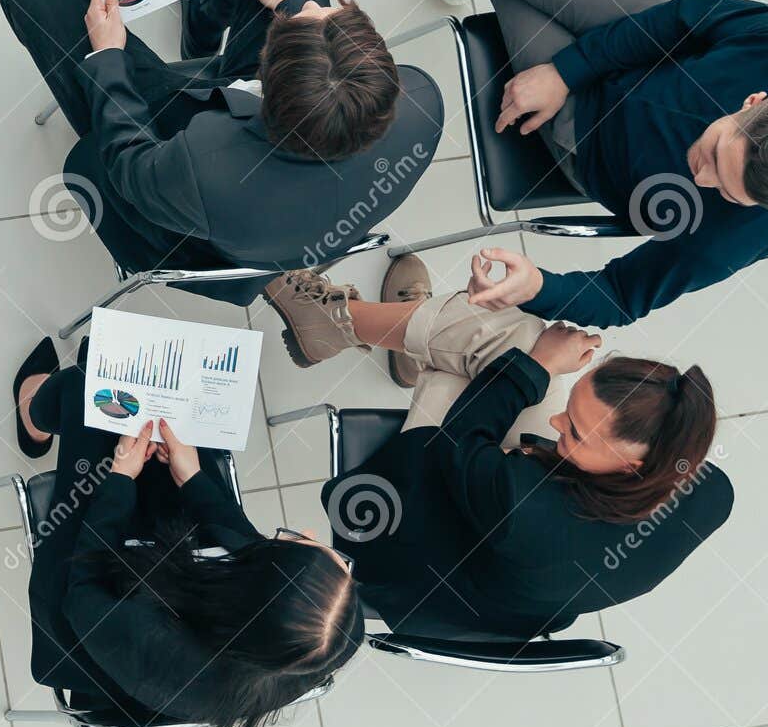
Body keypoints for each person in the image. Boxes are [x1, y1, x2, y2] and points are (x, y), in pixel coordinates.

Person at [319, 0, 768, 329]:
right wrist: (566, 70)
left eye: (727, 192)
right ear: (754, 103)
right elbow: (681, 22)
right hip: (648, 47)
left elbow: (622, 296)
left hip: (590, 133)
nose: (701, 176)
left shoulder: (745, 234)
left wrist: (538, 287)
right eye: (716, 154)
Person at [266, 258, 733, 640]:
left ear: (631, 466)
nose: (555, 422)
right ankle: (411, 340)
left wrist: (539, 366)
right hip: (512, 574)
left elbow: (464, 436)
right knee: (514, 343)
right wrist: (539, 369)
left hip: (416, 555)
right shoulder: (709, 488)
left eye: (573, 430)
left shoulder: (527, 513)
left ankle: (339, 323)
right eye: (570, 407)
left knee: (502, 343)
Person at [0, 0, 443, 281]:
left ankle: (196, 31)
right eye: (325, 10)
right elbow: (314, 44)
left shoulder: (202, 167)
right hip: (286, 154)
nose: (312, 4)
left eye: (311, 13)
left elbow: (128, 163)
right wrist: (291, 1)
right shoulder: (421, 100)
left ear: (268, 65)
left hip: (188, 176)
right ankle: (203, 21)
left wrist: (109, 58)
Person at [14, 338, 364, 727]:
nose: (311, 533)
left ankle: (34, 414)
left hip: (88, 603)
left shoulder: (151, 647)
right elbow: (245, 549)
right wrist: (192, 478)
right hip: (175, 590)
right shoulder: (333, 632)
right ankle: (100, 373)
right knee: (184, 423)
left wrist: (120, 480)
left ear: (244, 588)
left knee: (83, 392)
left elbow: (84, 592)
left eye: (293, 542)